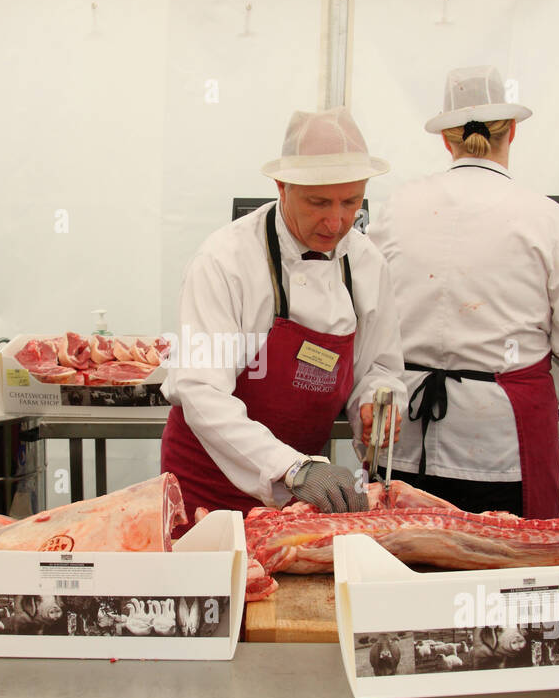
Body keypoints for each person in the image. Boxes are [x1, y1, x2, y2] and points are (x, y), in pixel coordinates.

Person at [368, 66, 559, 518]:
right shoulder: (546, 216)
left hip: (405, 435)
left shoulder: (397, 206)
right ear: (511, 131)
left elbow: (368, 309)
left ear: (446, 139)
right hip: (501, 440)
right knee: (509, 573)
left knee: (404, 571)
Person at [160, 107, 406, 520]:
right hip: (207, 487)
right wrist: (292, 467)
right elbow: (202, 391)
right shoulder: (225, 261)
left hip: (302, 496)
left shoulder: (367, 263)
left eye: (351, 201)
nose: (336, 220)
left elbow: (379, 366)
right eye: (318, 202)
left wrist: (376, 405)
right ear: (281, 186)